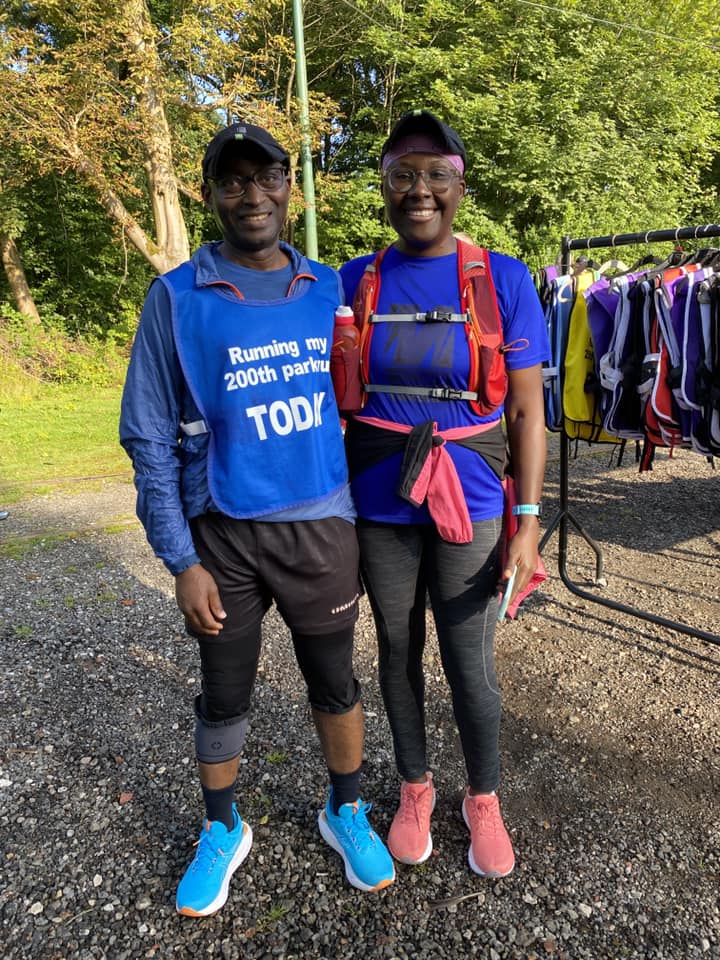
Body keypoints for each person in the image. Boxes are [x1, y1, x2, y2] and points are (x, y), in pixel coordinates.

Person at [120, 121, 394, 917]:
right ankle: (222, 829)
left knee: (335, 684)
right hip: (225, 541)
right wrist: (181, 561)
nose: (251, 194)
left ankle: (344, 810)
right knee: (224, 693)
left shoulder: (331, 288)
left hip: (321, 530)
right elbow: (147, 437)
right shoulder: (175, 297)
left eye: (265, 176)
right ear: (208, 194)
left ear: (288, 186)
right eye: (231, 180)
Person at [339, 109, 549, 878]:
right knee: (397, 650)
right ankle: (416, 788)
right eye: (402, 175)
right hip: (381, 502)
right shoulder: (356, 280)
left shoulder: (503, 277)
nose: (418, 190)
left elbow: (527, 410)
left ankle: (483, 798)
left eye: (436, 175)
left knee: (470, 661)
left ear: (460, 186)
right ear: (385, 188)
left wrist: (528, 522)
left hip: (474, 502)